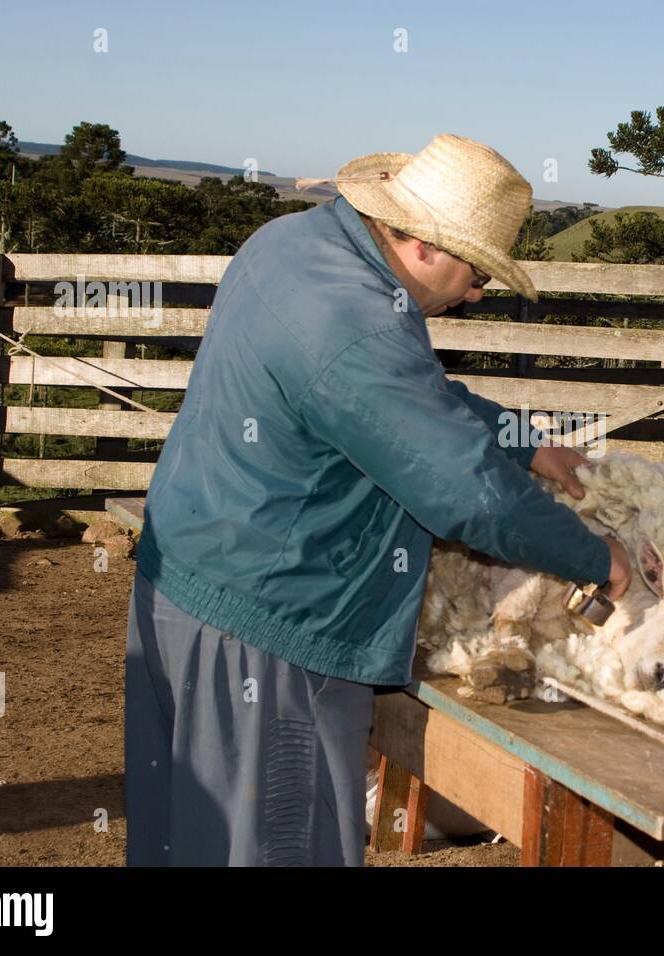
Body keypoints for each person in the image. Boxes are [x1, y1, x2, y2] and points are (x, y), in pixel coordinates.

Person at [124, 133, 631, 866]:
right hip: (270, 629)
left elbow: (403, 396)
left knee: (190, 834)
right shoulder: (358, 323)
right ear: (425, 246)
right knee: (275, 843)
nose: (478, 293)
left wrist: (522, 439)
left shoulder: (292, 243)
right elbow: (468, 494)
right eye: (477, 272)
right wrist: (596, 557)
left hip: (190, 584)